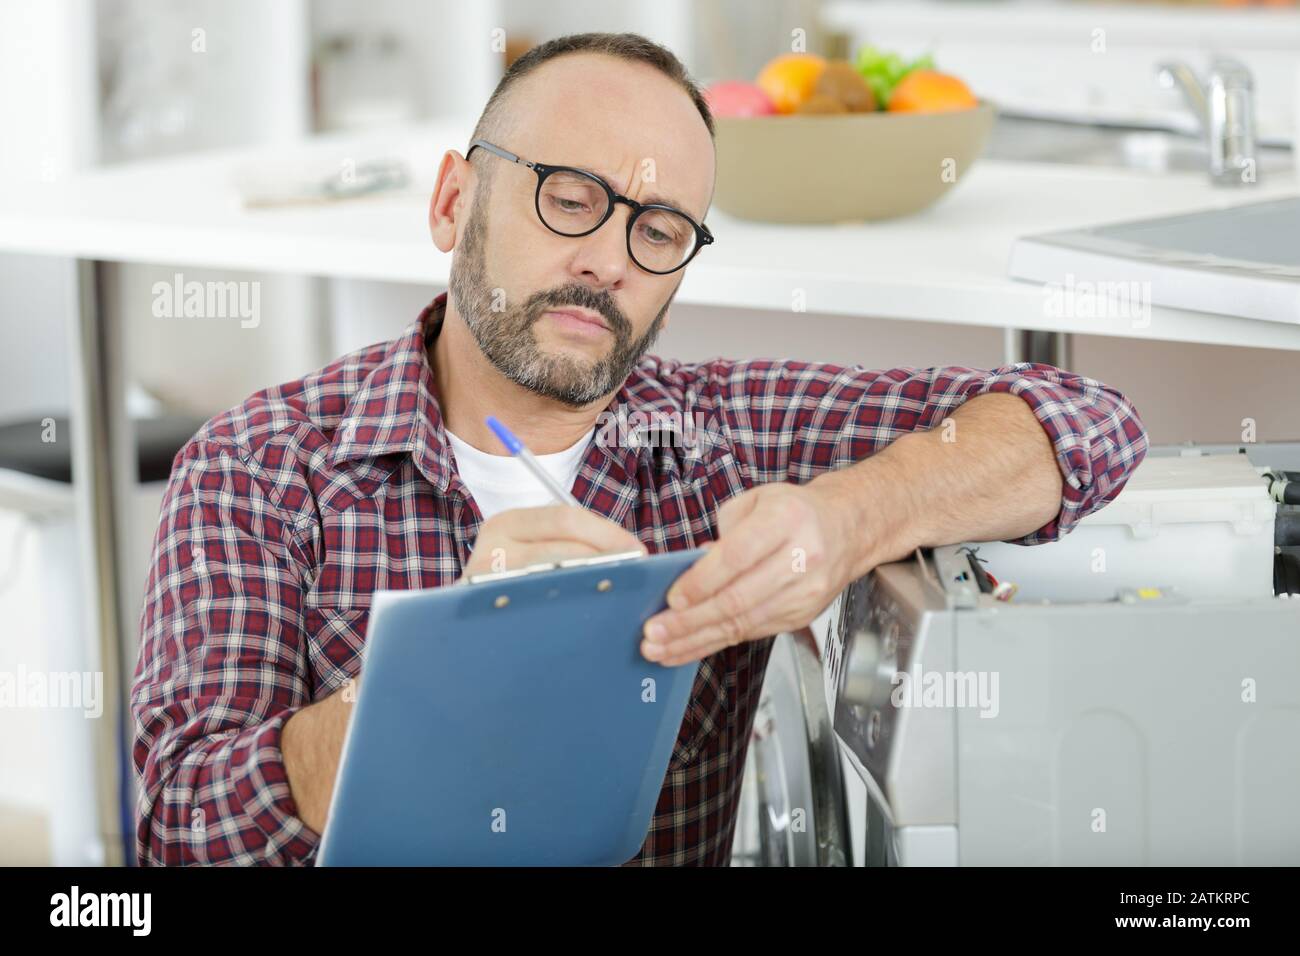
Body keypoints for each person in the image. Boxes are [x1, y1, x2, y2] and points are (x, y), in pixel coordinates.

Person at [132, 32, 1148, 866]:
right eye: (570, 198)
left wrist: (844, 522)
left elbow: (1086, 422)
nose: (608, 261)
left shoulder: (723, 437)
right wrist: (427, 680)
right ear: (452, 202)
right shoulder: (259, 463)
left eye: (659, 229)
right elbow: (182, 821)